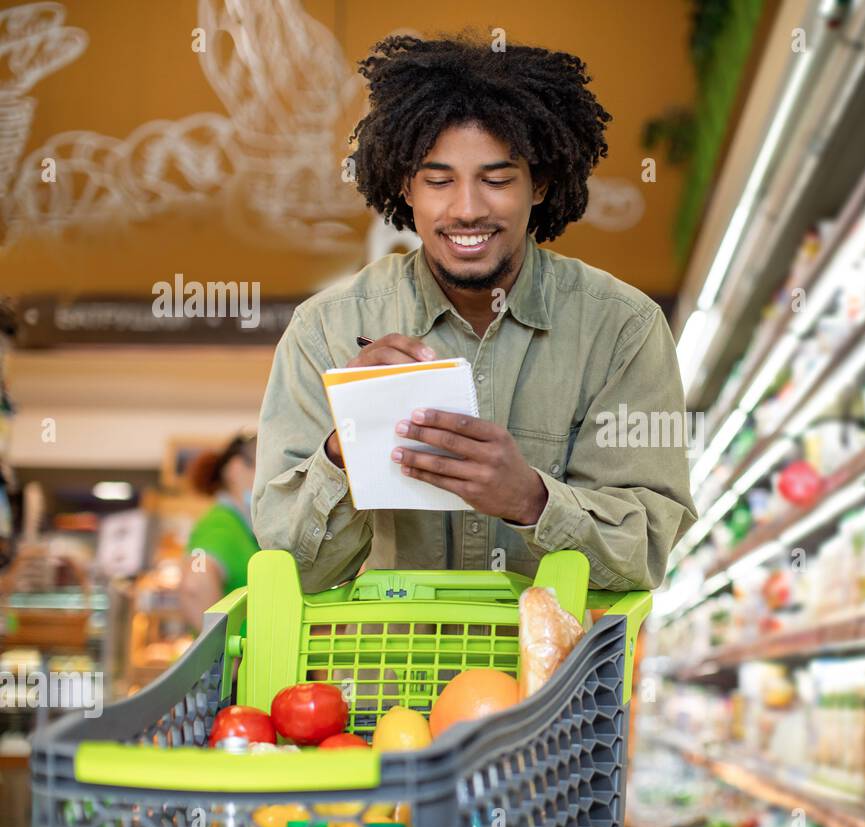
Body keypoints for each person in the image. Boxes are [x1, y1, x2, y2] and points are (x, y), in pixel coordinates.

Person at [253, 33, 698, 594]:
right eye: (438, 180)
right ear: (404, 187)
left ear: (540, 184)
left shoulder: (621, 330)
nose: (467, 209)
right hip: (384, 676)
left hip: (555, 679)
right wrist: (346, 447)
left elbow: (648, 552)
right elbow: (295, 572)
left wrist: (531, 500)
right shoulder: (324, 330)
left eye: (496, 179)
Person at [180, 434, 259, 631]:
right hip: (241, 660)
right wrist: (224, 655)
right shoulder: (220, 524)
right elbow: (194, 584)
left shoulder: (242, 527)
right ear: (236, 469)